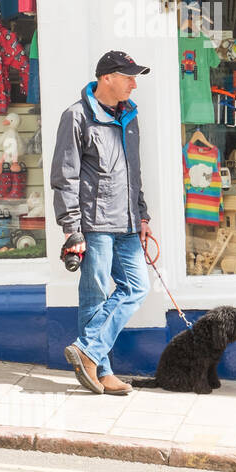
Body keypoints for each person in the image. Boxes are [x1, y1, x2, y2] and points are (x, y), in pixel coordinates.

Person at [51, 51, 153, 396]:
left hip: (126, 221)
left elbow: (133, 173)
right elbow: (65, 177)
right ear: (107, 77)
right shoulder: (77, 116)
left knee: (136, 287)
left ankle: (87, 351)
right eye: (128, 77)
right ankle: (102, 372)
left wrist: (143, 214)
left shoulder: (129, 115)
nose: (134, 84)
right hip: (94, 222)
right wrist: (72, 227)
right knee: (94, 296)